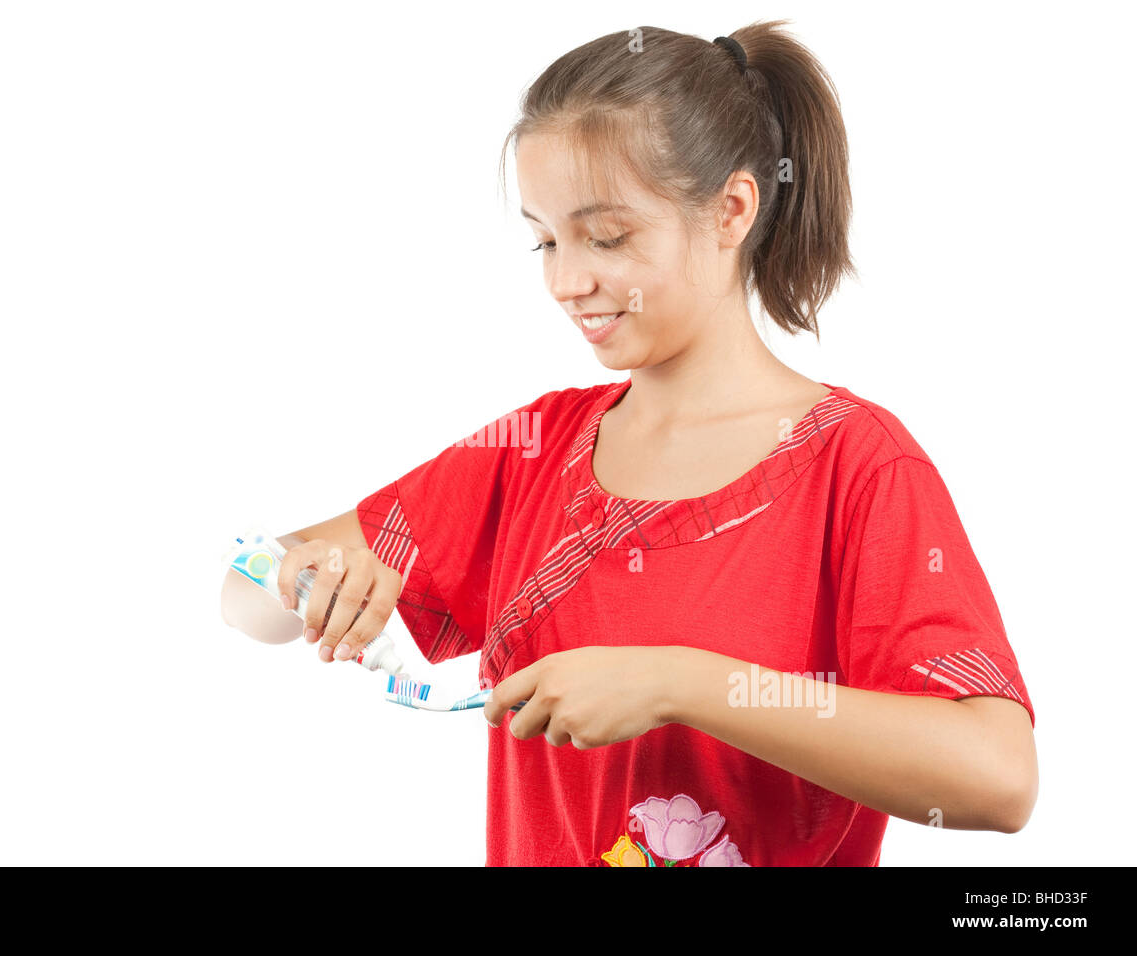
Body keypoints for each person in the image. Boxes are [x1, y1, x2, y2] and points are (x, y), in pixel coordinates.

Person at [273, 21, 1037, 866]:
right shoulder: (535, 449)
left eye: (607, 237)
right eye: (546, 240)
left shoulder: (858, 468)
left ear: (731, 210)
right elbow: (249, 584)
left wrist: (678, 684)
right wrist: (307, 579)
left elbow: (996, 778)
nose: (567, 281)